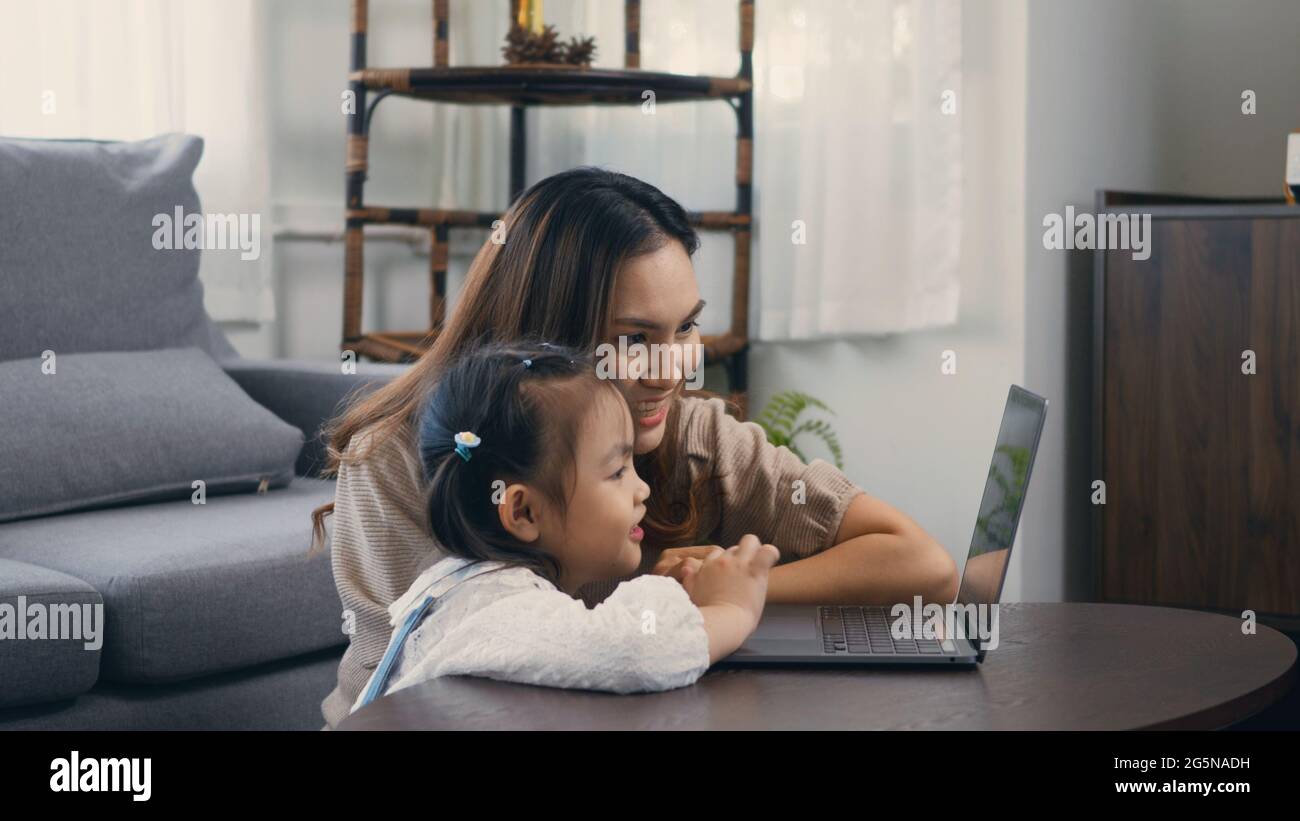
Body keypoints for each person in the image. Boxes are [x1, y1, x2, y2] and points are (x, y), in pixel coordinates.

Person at [311, 167, 958, 729]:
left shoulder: (685, 429)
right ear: (549, 337)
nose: (671, 369)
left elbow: (924, 566)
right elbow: (457, 690)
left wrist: (742, 585)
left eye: (687, 327)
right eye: (636, 335)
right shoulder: (406, 459)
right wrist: (688, 600)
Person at [350, 341, 779, 713]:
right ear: (524, 514)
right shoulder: (495, 608)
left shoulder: (478, 589)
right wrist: (731, 610)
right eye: (617, 472)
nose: (641, 489)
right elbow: (639, 652)